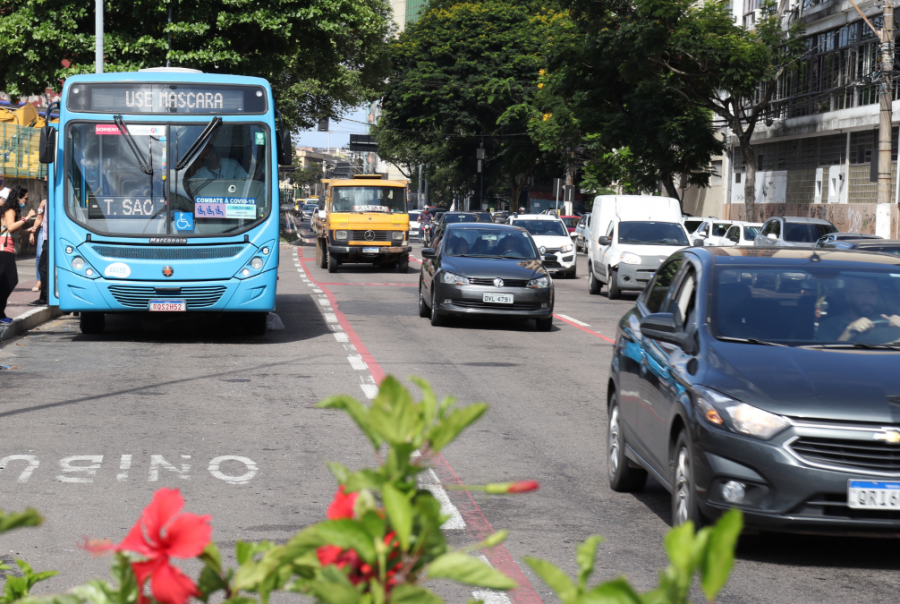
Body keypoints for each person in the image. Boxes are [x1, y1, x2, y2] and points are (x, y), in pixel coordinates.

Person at [817, 276, 900, 341]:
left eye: (872, 293)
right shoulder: (829, 325)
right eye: (861, 293)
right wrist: (848, 332)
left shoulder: (887, 323)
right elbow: (826, 357)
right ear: (848, 297)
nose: (867, 299)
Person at [0, 186, 36, 323]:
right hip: (3, 249)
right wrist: (27, 218)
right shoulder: (9, 210)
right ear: (17, 197)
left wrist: (27, 231)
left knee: (5, 281)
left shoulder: (12, 210)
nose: (26, 201)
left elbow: (13, 231)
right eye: (25, 198)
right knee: (10, 280)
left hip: (8, 248)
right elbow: (10, 227)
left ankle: (1, 312)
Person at [27, 198, 48, 306]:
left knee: (44, 267)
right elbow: (39, 217)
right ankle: (44, 293)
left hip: (53, 237)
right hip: (45, 236)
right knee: (41, 262)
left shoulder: (61, 199)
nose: (45, 181)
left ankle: (45, 297)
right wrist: (33, 231)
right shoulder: (44, 202)